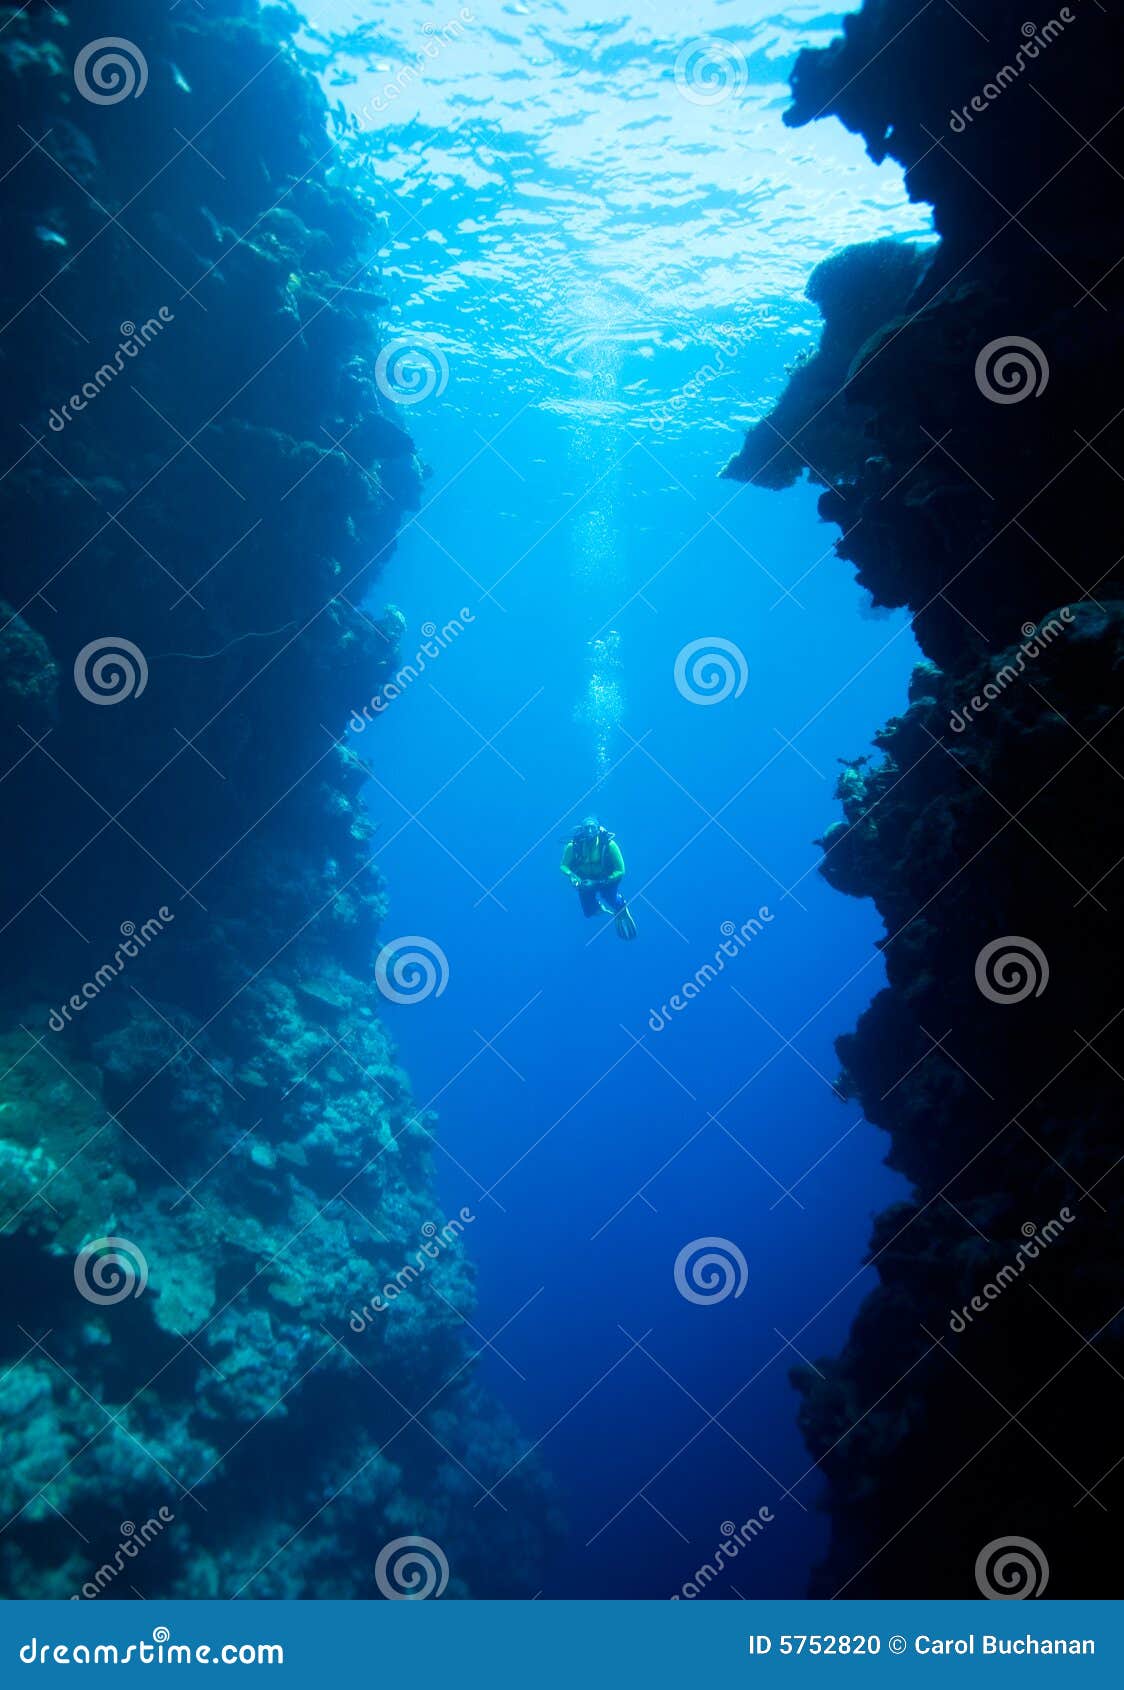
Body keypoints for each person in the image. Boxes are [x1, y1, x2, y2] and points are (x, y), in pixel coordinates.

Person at [560, 815, 638, 940]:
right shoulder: (573, 846)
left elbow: (621, 871)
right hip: (584, 881)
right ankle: (603, 909)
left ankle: (621, 907)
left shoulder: (609, 845)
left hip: (606, 879)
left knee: (610, 897)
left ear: (598, 829)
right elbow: (563, 865)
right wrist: (572, 876)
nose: (590, 831)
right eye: (587, 828)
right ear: (582, 830)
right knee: (589, 912)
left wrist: (597, 883)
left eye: (592, 828)